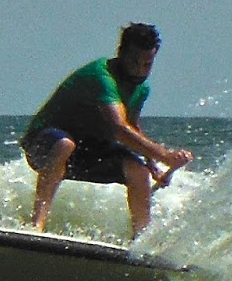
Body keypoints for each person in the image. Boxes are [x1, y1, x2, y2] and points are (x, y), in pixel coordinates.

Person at [21, 23, 194, 239]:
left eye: (147, 64)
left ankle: (141, 241)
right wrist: (165, 155)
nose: (140, 70)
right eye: (134, 62)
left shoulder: (142, 88)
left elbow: (132, 127)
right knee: (65, 144)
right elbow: (119, 129)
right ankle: (36, 227)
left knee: (138, 172)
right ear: (120, 53)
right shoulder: (101, 76)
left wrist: (153, 166)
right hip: (44, 147)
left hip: (86, 153)